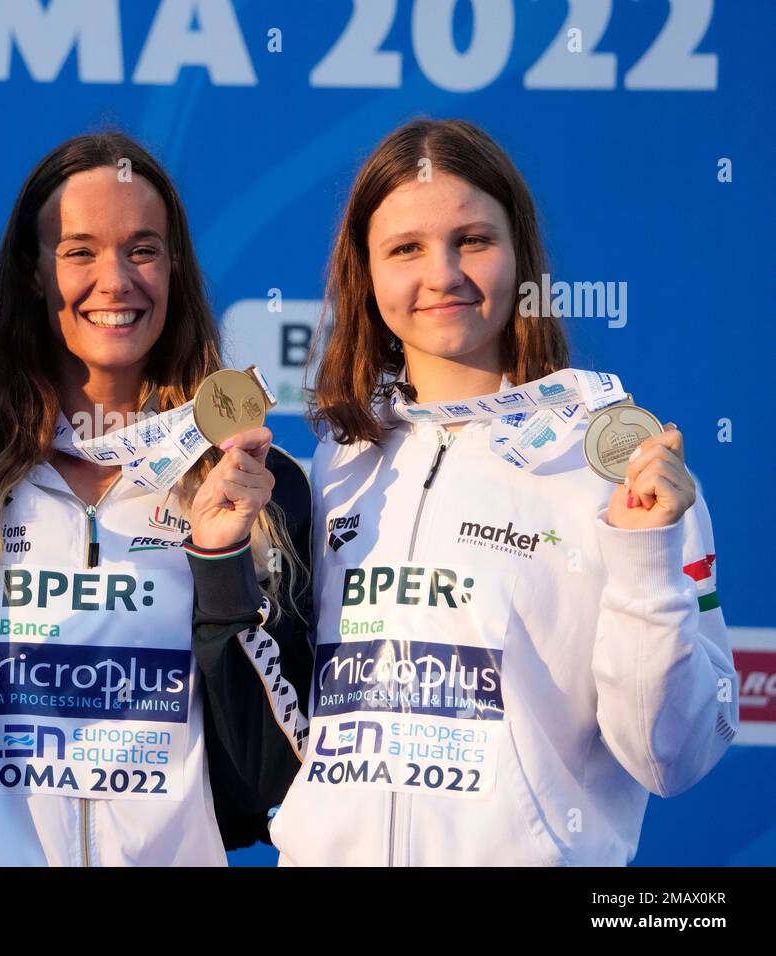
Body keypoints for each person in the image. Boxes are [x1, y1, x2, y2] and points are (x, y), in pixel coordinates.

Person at [271, 118, 737, 866]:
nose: (443, 273)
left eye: (473, 240)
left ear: (521, 254)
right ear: (366, 271)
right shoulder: (336, 461)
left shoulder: (618, 463)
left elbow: (674, 756)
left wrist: (647, 560)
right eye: (405, 249)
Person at [0, 132, 312, 866]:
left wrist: (220, 561)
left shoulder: (257, 481)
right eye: (79, 251)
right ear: (33, 273)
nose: (115, 281)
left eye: (142, 249)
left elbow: (275, 772)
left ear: (174, 269)